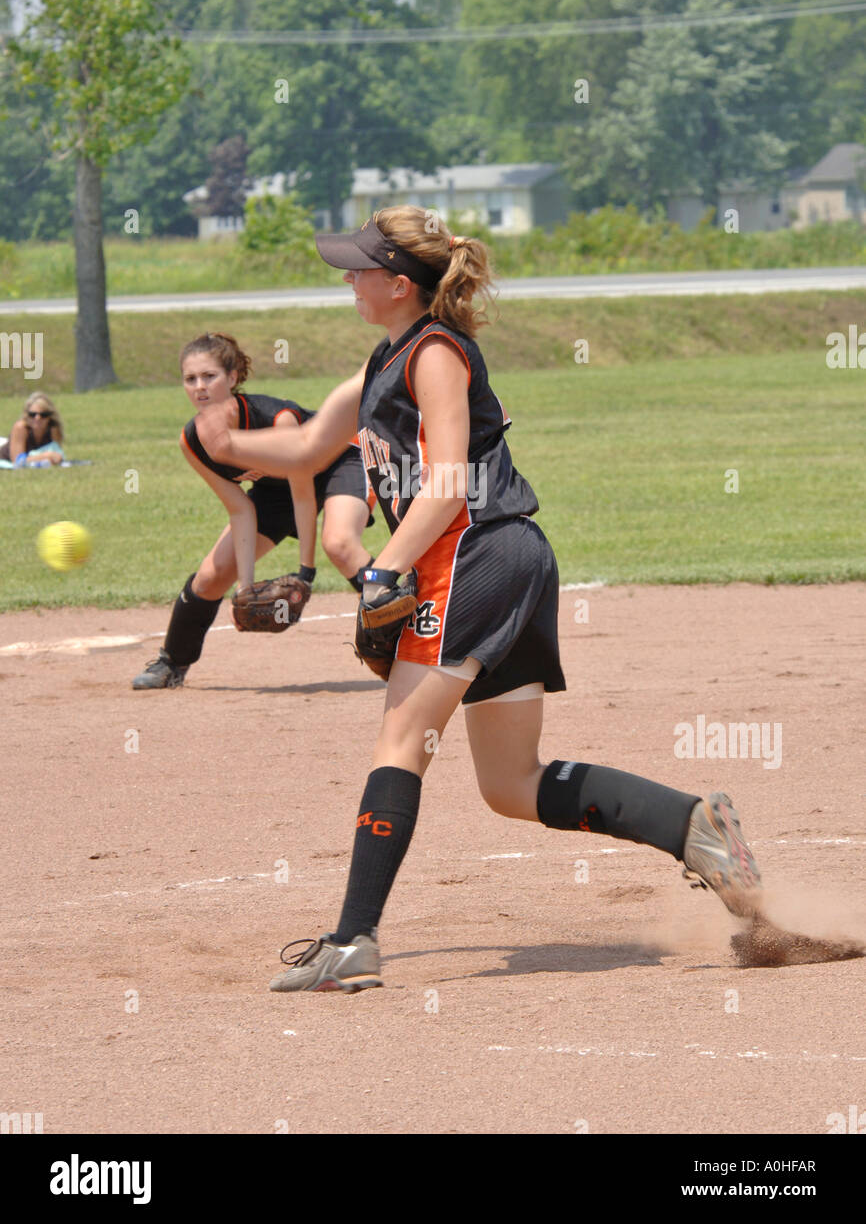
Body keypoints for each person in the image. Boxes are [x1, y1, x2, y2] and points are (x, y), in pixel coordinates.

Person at [195, 211, 763, 993]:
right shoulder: (385, 358)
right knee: (509, 783)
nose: (348, 279)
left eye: (360, 268)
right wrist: (219, 447)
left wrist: (386, 572)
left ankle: (353, 940)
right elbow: (305, 449)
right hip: (497, 562)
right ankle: (691, 826)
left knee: (401, 737)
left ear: (399, 284)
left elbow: (450, 483)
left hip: (474, 554)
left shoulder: (435, 355)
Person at [132, 331, 375, 690]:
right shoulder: (193, 442)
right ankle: (171, 662)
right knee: (212, 575)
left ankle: (411, 633)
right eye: (190, 379)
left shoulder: (276, 419)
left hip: (340, 463)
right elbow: (241, 509)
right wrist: (245, 586)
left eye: (209, 376)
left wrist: (305, 573)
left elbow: (303, 495)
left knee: (339, 543)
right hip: (276, 492)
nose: (200, 387)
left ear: (232, 379)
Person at [1, 393, 64, 465]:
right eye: (32, 415)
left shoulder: (53, 429)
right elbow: (17, 461)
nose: (37, 418)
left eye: (43, 415)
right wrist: (46, 456)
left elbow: (56, 456)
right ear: (26, 415)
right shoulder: (21, 428)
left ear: (49, 417)